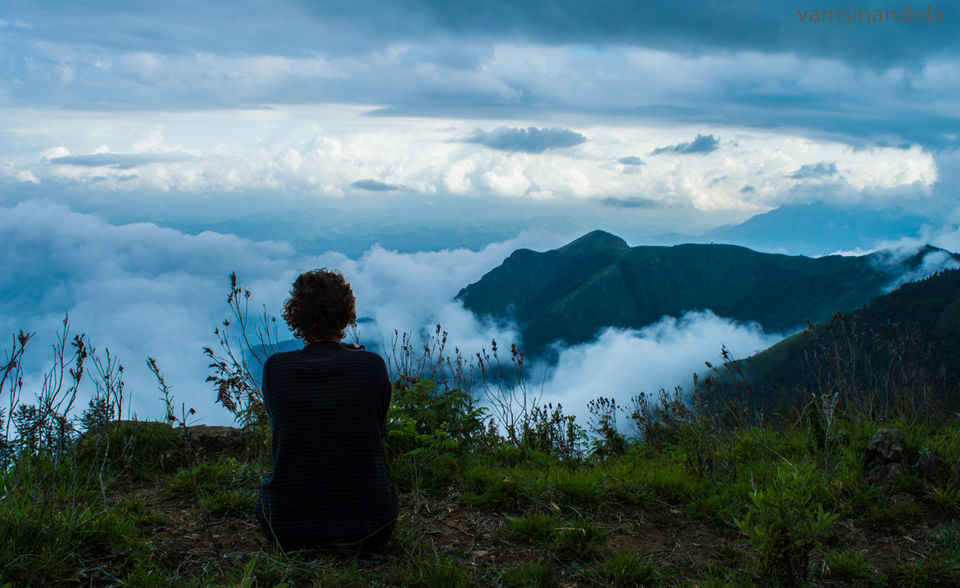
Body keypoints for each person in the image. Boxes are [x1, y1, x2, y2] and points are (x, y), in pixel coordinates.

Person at [254, 268, 398, 552]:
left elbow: (288, 427)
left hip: (286, 527)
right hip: (370, 527)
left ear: (296, 317)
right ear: (348, 314)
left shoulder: (276, 369)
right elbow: (377, 430)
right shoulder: (371, 366)